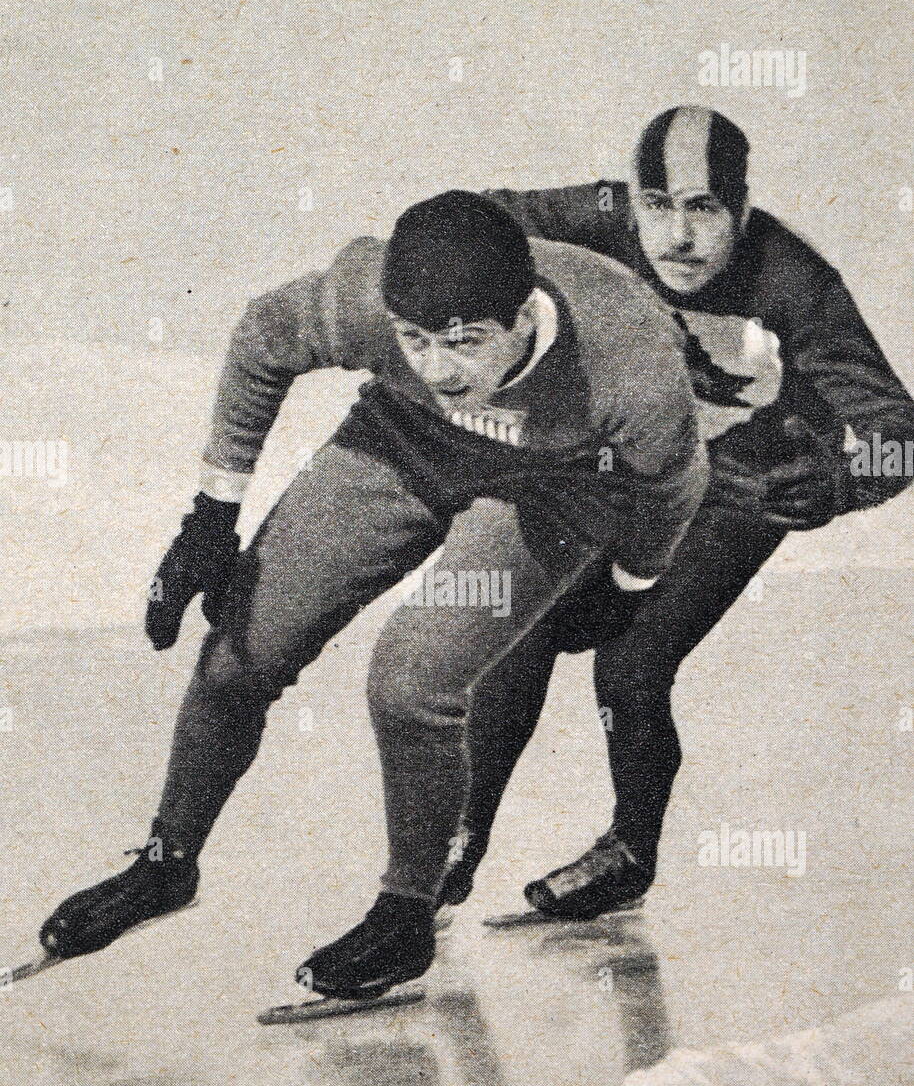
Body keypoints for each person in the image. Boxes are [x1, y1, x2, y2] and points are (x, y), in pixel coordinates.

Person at [38, 190, 707, 1000]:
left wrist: (633, 584)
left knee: (411, 680)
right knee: (244, 645)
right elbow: (261, 339)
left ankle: (404, 915)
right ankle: (166, 861)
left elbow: (673, 484)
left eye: (464, 343)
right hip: (408, 440)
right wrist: (210, 518)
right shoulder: (362, 296)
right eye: (416, 340)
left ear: (525, 316)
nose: (438, 367)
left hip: (556, 486)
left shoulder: (628, 361)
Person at [436, 105, 914, 922]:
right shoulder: (598, 217)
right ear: (629, 200)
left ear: (743, 207)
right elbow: (470, 221)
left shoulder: (792, 279)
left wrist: (836, 478)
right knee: (524, 625)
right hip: (640, 472)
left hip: (740, 491)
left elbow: (897, 433)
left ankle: (630, 849)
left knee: (630, 665)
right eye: (658, 205)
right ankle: (455, 845)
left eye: (704, 209)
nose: (678, 238)